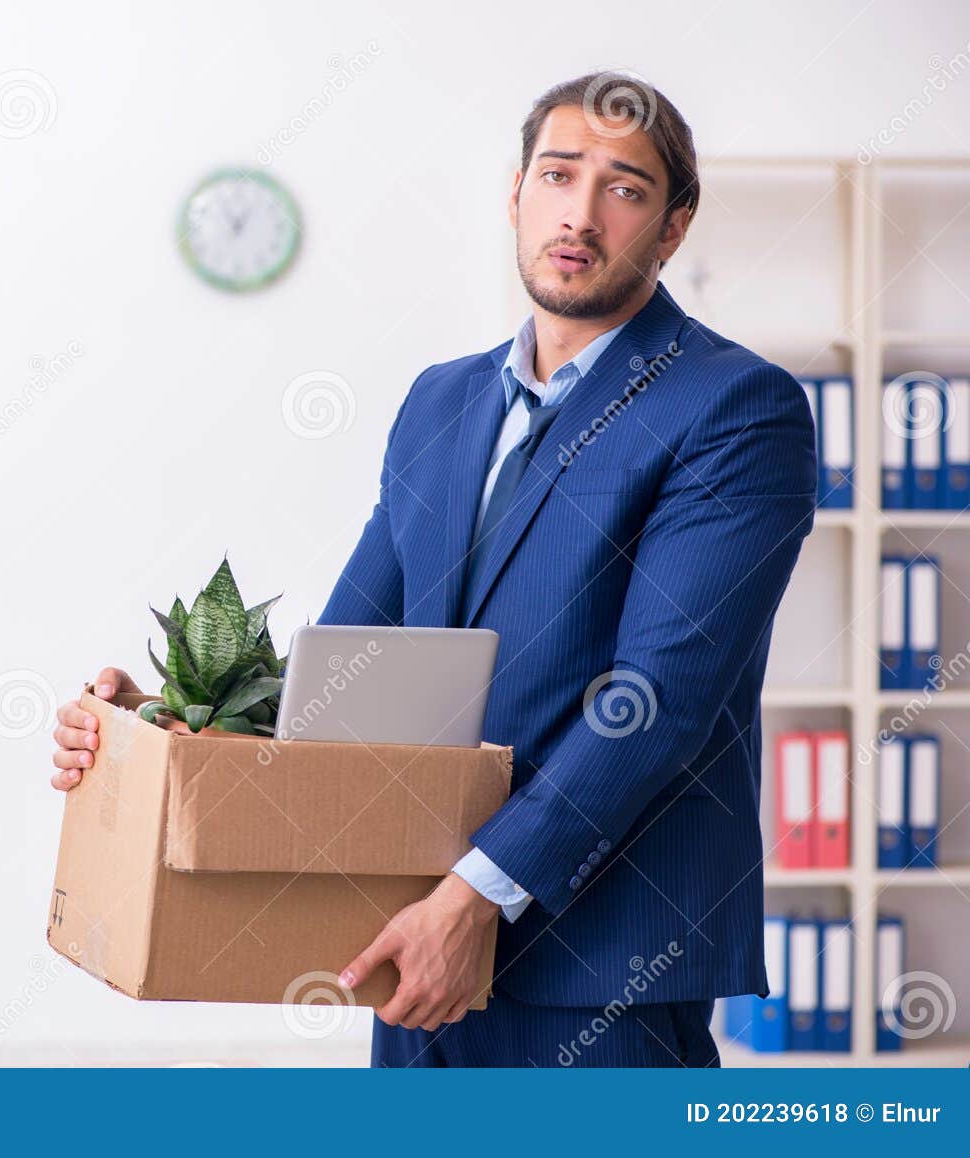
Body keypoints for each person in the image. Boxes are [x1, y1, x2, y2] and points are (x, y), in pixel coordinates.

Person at [49, 71, 817, 1067]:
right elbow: (346, 673)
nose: (579, 213)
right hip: (409, 950)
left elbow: (658, 701)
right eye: (556, 175)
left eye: (624, 188)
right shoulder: (441, 403)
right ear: (514, 195)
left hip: (597, 969)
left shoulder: (733, 408)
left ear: (673, 226)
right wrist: (157, 718)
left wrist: (478, 896)